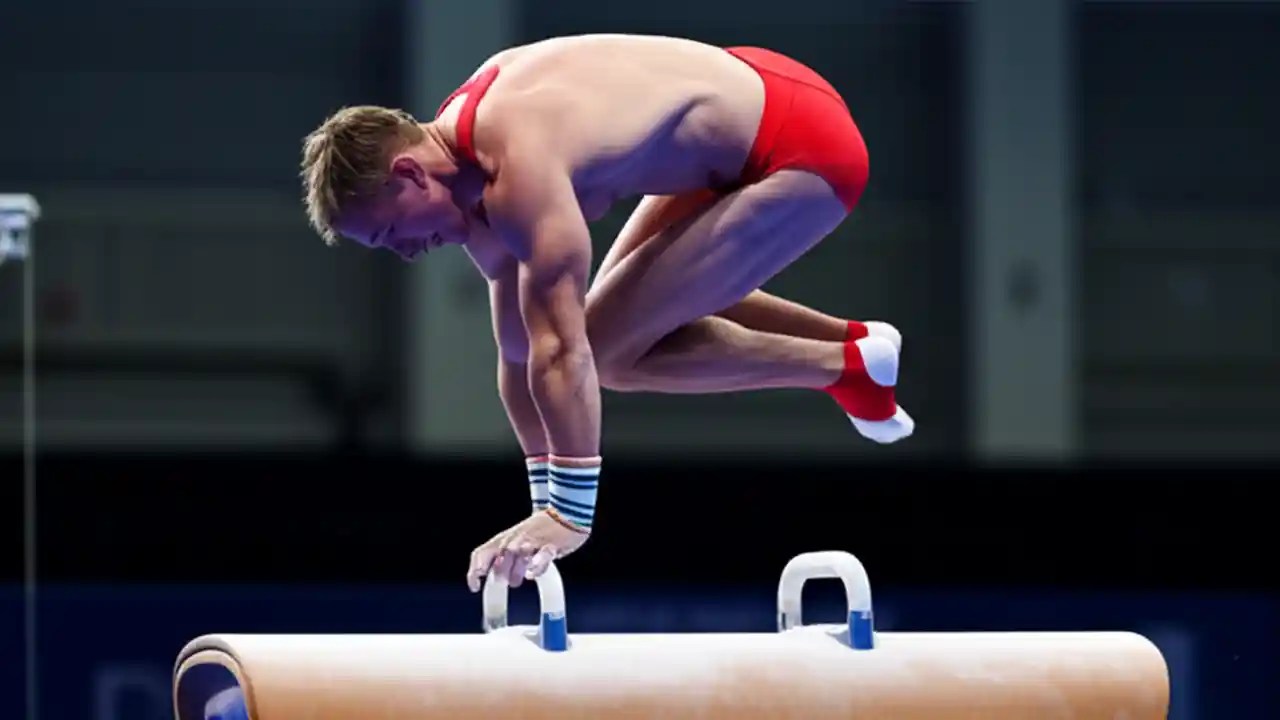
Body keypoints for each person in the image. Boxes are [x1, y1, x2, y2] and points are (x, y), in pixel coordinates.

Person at [298, 33, 914, 593]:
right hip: (744, 103)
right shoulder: (470, 180)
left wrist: (570, 512)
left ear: (409, 174)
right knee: (628, 314)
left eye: (389, 234)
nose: (405, 254)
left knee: (609, 349)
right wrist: (539, 506)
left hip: (802, 148)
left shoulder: (516, 166)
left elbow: (561, 352)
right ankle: (856, 345)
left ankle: (842, 366)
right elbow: (517, 356)